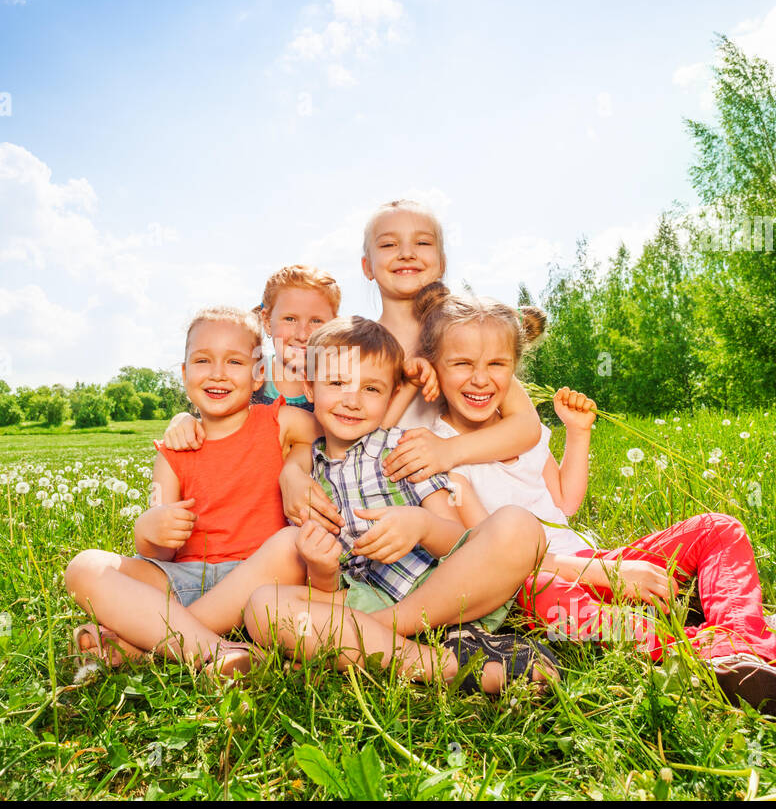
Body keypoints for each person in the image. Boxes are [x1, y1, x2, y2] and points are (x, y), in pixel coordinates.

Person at [410, 281, 776, 721]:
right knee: (547, 595)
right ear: (434, 369)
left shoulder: (524, 432)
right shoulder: (440, 448)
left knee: (718, 528)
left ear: (515, 368)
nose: (480, 377)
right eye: (461, 363)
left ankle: (740, 647)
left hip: (597, 560)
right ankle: (733, 648)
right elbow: (488, 554)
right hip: (533, 584)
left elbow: (565, 502)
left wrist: (578, 432)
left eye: (497, 363)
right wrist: (605, 572)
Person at [242, 315, 558, 694]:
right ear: (309, 388)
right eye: (337, 383)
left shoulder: (404, 446)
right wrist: (320, 566)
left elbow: (459, 540)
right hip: (368, 595)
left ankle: (370, 639)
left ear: (392, 397)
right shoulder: (312, 474)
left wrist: (421, 526)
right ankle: (441, 663)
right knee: (263, 607)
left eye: (371, 389)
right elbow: (326, 587)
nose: (352, 400)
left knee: (520, 526)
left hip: (450, 591)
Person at [63, 306, 320, 676]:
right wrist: (150, 530)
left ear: (259, 373)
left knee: (293, 544)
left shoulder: (279, 422)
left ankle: (143, 642)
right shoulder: (171, 454)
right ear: (184, 375)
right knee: (84, 568)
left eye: (234, 361)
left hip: (260, 578)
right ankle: (215, 649)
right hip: (186, 579)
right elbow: (157, 553)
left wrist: (295, 468)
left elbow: (329, 432)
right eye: (203, 360)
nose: (217, 373)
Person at [279, 199, 546, 533]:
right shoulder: (358, 346)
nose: (406, 253)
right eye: (389, 244)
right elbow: (321, 432)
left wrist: (448, 452)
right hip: (381, 506)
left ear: (442, 262)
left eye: (422, 242)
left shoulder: (464, 336)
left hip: (466, 502)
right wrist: (292, 473)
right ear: (367, 266)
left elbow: (525, 427)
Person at [163, 265, 341, 453]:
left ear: (334, 325)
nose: (303, 334)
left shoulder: (342, 384)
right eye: (290, 319)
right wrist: (183, 419)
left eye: (316, 321)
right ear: (266, 321)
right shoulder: (246, 375)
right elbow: (212, 421)